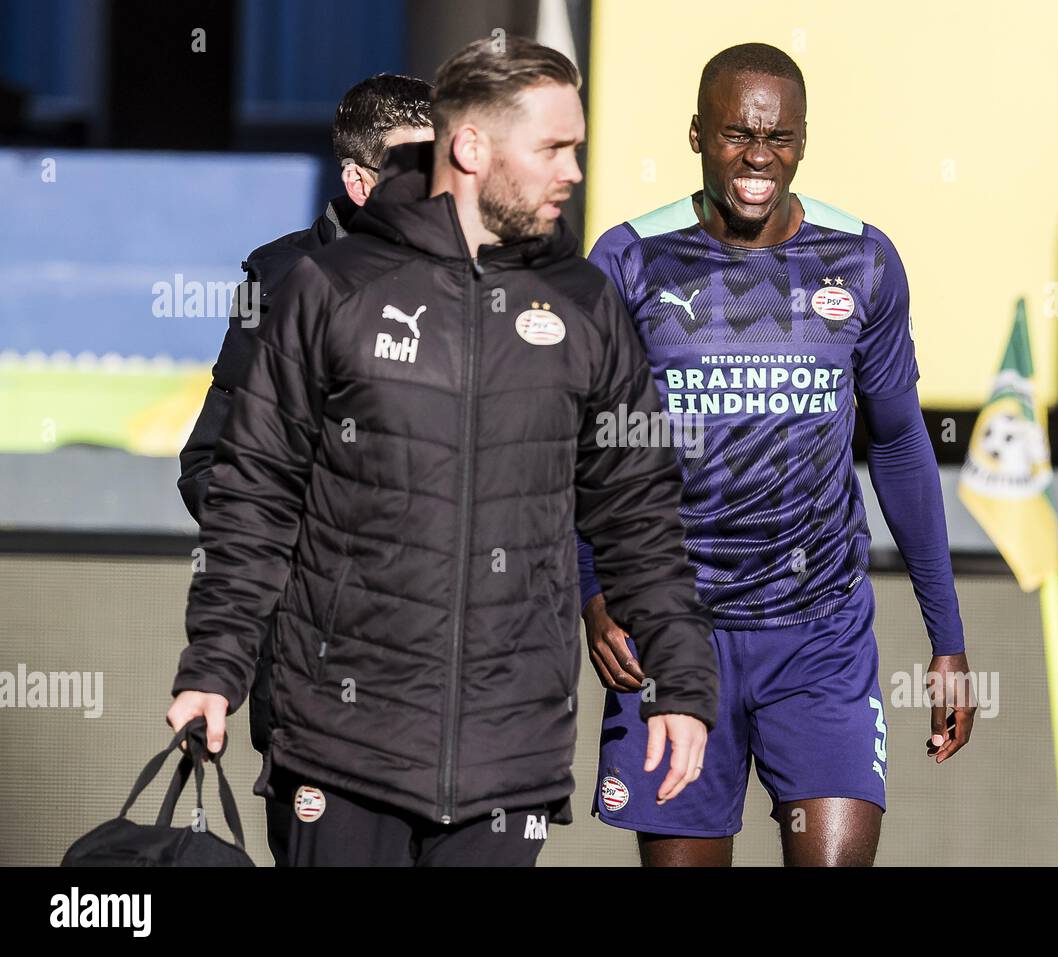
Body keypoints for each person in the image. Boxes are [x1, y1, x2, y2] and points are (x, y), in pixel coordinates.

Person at [167, 36, 717, 867]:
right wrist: (215, 665)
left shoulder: (585, 305)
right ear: (470, 148)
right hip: (341, 748)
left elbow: (638, 507)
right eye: (553, 149)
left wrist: (683, 677)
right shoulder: (334, 288)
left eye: (578, 148)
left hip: (511, 754)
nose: (572, 171)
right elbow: (254, 491)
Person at [580, 43, 975, 867]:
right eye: (736, 135)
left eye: (779, 138)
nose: (759, 158)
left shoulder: (861, 259)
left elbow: (900, 443)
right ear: (696, 134)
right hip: (675, 639)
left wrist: (947, 637)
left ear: (802, 140)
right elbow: (579, 448)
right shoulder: (629, 260)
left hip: (820, 638)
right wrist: (592, 591)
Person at [175, 72, 435, 865]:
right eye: (413, 167)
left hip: (458, 684)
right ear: (359, 181)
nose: (441, 187)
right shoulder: (285, 278)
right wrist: (320, 570)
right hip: (319, 679)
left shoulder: (490, 283)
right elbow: (213, 464)